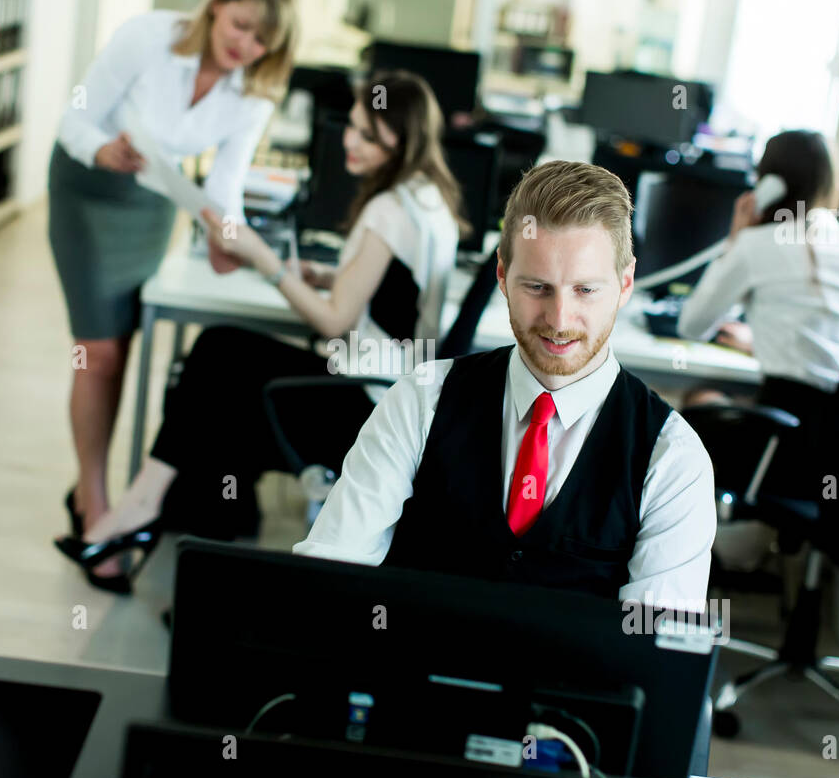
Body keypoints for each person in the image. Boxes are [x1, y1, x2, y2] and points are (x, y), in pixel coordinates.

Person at [55, 70, 467, 592]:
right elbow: (391, 295)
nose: (350, 142)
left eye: (369, 136)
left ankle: (144, 518)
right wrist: (327, 276)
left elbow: (333, 322)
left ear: (402, 144)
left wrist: (264, 259)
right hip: (388, 397)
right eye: (353, 127)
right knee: (220, 366)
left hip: (362, 409)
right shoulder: (429, 199)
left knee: (217, 362)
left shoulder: (387, 209)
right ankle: (158, 530)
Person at [293, 160, 717, 608]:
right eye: (537, 287)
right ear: (502, 276)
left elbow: (655, 652)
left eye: (585, 291)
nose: (558, 320)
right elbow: (330, 572)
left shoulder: (671, 459)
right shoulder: (422, 399)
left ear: (625, 282)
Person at [48, 0, 298, 545]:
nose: (246, 45)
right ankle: (92, 500)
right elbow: (74, 119)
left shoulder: (255, 92)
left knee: (124, 340)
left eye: (262, 40)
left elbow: (226, 183)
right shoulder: (147, 37)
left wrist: (224, 233)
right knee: (97, 349)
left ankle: (94, 494)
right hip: (89, 186)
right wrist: (102, 150)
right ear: (216, 6)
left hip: (154, 199)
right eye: (240, 25)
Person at [676, 130, 839, 499]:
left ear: (769, 183)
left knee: (699, 398)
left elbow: (692, 326)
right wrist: (762, 343)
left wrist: (735, 240)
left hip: (782, 446)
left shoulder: (756, 245)